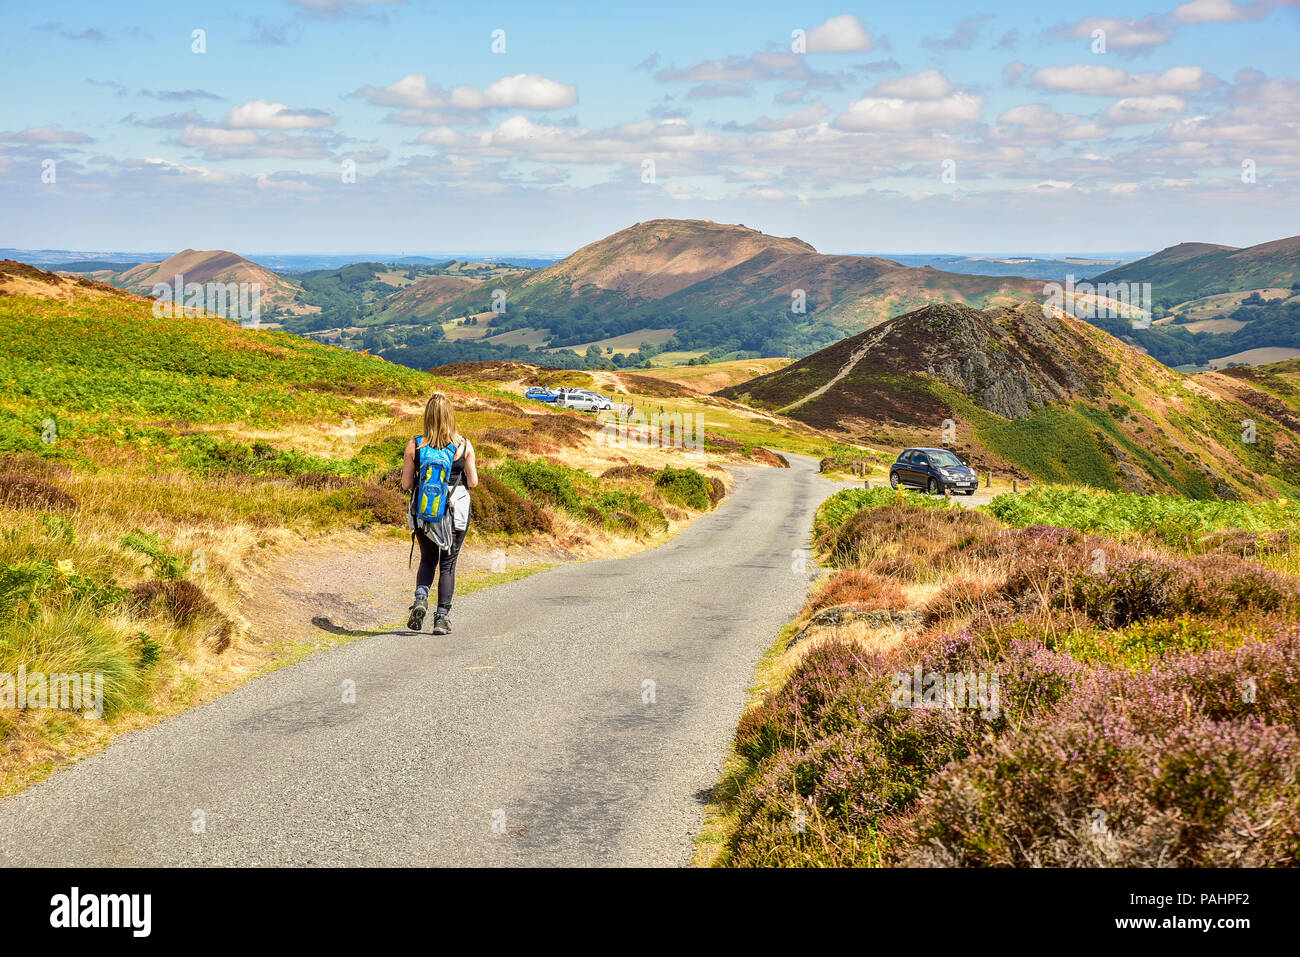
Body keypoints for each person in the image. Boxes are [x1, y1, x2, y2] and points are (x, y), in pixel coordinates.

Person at [401, 392, 478, 635]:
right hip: (456, 513)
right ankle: (441, 618)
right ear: (451, 417)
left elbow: (405, 484)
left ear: (427, 416)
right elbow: (474, 482)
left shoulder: (416, 445)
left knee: (427, 560)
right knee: (448, 565)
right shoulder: (464, 445)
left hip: (424, 513)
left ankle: (421, 599)